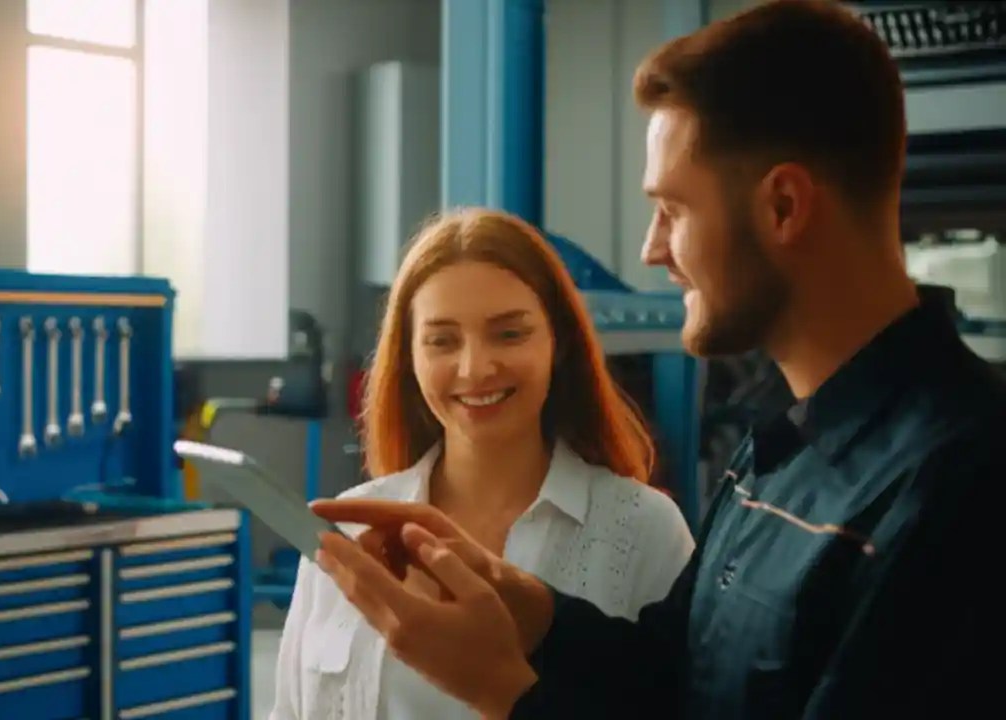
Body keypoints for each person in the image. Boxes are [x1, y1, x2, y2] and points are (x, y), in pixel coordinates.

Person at [309, 1, 1006, 718]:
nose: (651, 249)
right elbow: (680, 674)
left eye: (673, 210)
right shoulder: (779, 452)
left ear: (784, 207)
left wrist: (502, 691)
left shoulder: (959, 489)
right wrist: (527, 610)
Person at [268, 208, 696, 719]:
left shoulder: (645, 530)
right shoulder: (347, 530)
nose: (475, 368)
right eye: (442, 340)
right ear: (409, 356)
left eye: (509, 334)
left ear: (557, 343)